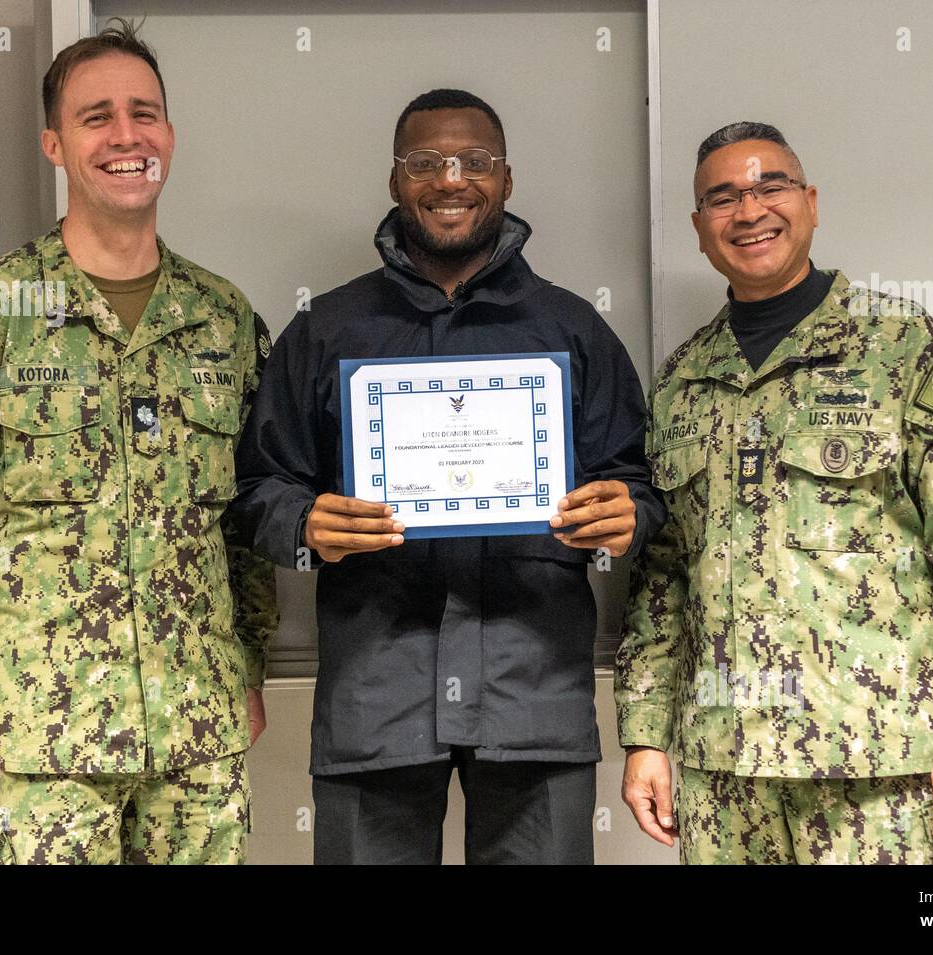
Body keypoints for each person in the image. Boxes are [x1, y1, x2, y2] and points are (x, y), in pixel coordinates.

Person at [0, 19, 276, 864]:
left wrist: (247, 665)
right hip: (39, 746)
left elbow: (249, 521)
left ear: (169, 135)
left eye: (144, 114)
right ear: (55, 144)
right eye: (97, 117)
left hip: (196, 739)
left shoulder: (225, 321)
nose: (126, 136)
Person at [229, 89, 662, 864]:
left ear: (506, 178)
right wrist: (303, 527)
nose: (450, 179)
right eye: (425, 163)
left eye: (474, 162)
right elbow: (259, 489)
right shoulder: (325, 331)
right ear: (396, 181)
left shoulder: (573, 329)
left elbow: (639, 482)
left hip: (534, 699)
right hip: (378, 702)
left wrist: (626, 512)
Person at [616, 121, 933, 864]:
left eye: (769, 187)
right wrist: (646, 732)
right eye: (722, 198)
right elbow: (663, 576)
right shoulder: (682, 382)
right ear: (697, 229)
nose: (748, 212)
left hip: (879, 771)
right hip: (725, 773)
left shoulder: (905, 349)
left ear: (811, 202)